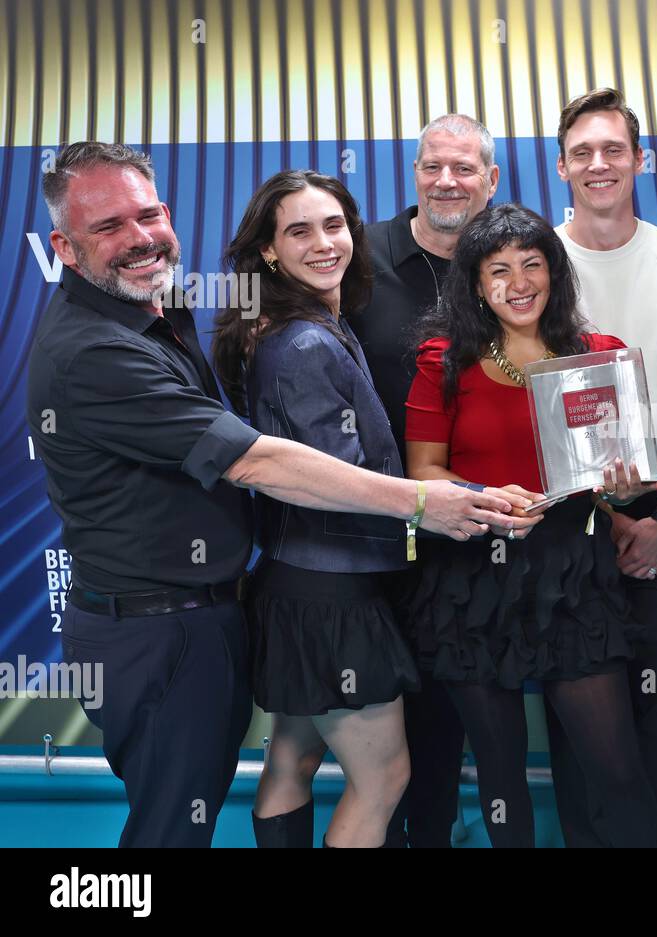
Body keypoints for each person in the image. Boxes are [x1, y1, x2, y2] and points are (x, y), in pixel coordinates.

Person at [27, 142, 537, 848]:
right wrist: (431, 502)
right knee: (229, 814)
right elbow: (261, 462)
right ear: (64, 244)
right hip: (180, 627)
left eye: (147, 214)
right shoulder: (101, 350)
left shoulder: (159, 306)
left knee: (284, 762)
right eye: (110, 225)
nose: (139, 237)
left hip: (241, 605)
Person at [404, 203, 657, 848]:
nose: (518, 283)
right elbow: (424, 473)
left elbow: (628, 477)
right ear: (475, 284)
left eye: (532, 264)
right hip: (471, 578)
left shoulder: (598, 356)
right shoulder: (441, 360)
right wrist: (487, 500)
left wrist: (628, 488)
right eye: (499, 271)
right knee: (498, 774)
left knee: (618, 769)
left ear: (554, 273)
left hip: (573, 577)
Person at [209, 170, 420, 848]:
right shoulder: (302, 343)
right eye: (299, 230)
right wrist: (457, 504)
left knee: (292, 757)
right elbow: (344, 484)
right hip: (332, 595)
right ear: (269, 251)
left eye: (334, 225)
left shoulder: (302, 324)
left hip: (296, 584)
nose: (324, 242)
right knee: (384, 777)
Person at [547, 88, 657, 848]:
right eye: (582, 151)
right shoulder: (536, 266)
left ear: (641, 160)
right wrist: (603, 517)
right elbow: (530, 400)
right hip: (567, 528)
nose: (598, 164)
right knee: (581, 742)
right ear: (560, 167)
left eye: (613, 149)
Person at [351, 114, 501, 848]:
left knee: (445, 719)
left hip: (470, 536)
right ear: (414, 171)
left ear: (491, 180)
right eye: (432, 165)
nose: (447, 180)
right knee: (359, 726)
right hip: (362, 533)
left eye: (464, 168)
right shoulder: (355, 258)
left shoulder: (509, 263)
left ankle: (432, 835)